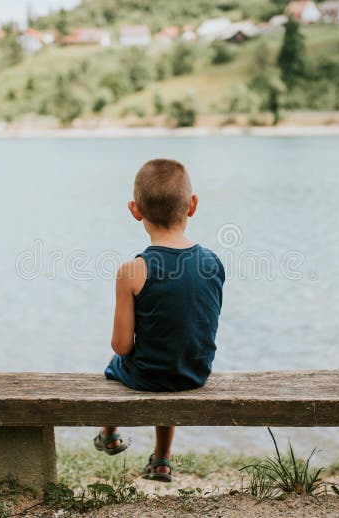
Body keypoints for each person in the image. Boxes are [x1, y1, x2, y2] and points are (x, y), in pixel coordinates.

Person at [94, 158, 225, 483]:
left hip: (150, 376)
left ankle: (109, 434)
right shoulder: (213, 263)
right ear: (192, 205)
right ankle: (163, 460)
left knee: (117, 365)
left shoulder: (131, 271)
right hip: (194, 372)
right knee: (170, 348)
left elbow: (122, 345)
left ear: (135, 210)